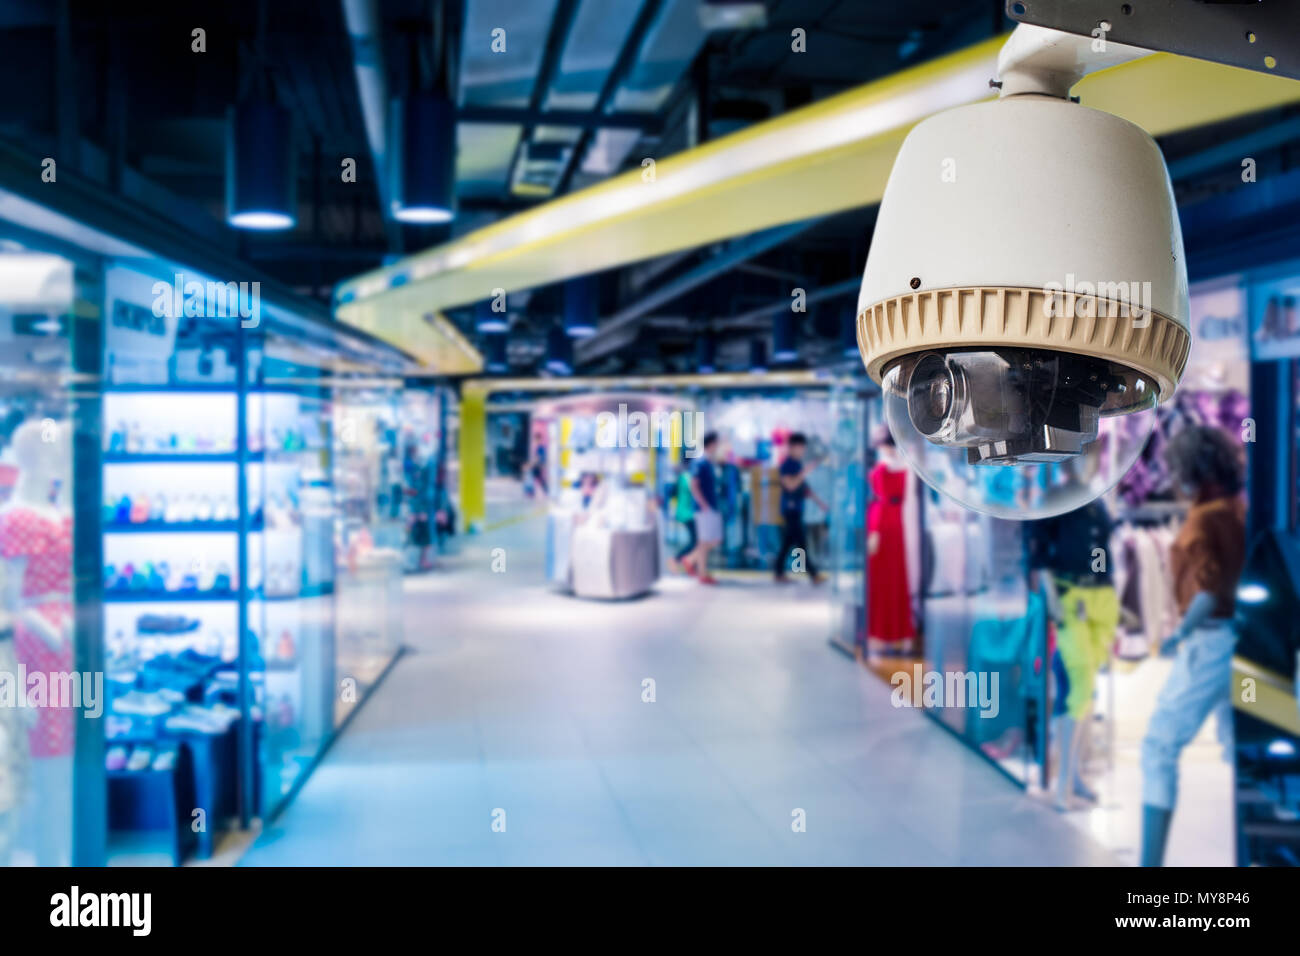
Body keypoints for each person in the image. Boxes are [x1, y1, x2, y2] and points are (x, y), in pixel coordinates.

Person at [1140, 425, 1246, 867]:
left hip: (1209, 642)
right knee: (1238, 743)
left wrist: (1178, 635)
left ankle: (1149, 865)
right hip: (1240, 640)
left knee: (1158, 746)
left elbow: (1207, 589)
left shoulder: (1203, 518)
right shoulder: (1235, 509)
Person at [775, 433, 827, 583]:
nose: (802, 450)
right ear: (792, 447)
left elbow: (805, 489)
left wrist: (820, 503)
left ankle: (779, 572)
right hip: (790, 509)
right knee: (801, 542)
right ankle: (813, 574)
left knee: (788, 542)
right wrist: (805, 472)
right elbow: (790, 486)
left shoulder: (797, 464)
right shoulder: (787, 464)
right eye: (800, 447)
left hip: (797, 508)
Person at [682, 432, 722, 585]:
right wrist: (703, 504)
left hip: (711, 506)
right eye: (717, 444)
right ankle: (702, 572)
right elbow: (694, 484)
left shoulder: (708, 462)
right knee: (705, 540)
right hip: (704, 508)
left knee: (713, 540)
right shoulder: (700, 462)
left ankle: (691, 559)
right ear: (711, 444)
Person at [671, 462, 696, 572]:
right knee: (696, 541)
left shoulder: (682, 477)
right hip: (688, 513)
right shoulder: (687, 477)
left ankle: (690, 564)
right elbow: (694, 490)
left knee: (696, 540)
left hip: (685, 512)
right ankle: (676, 559)